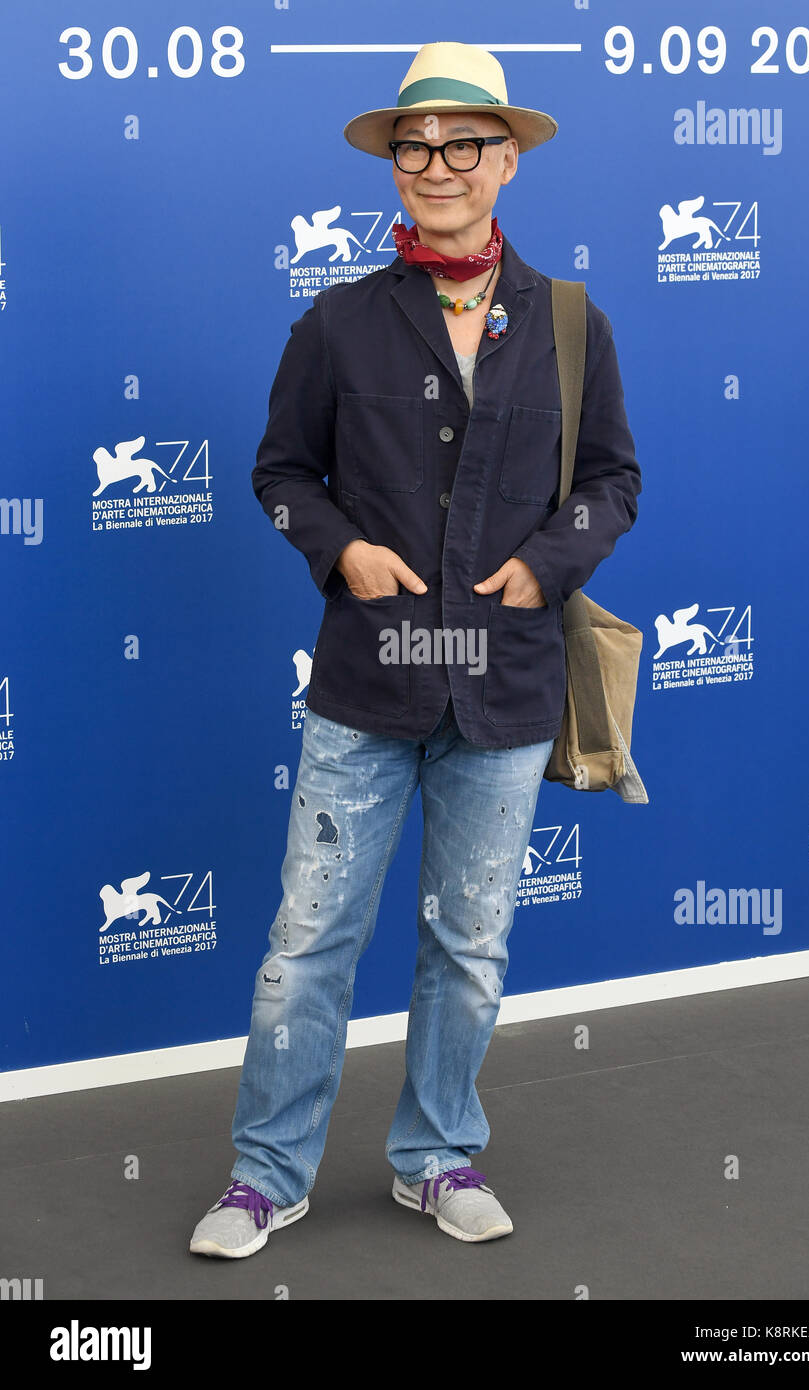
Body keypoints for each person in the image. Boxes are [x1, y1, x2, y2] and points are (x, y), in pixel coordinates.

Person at [190, 40, 640, 1259]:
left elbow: (609, 483)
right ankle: (263, 1172)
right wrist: (338, 551)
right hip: (362, 692)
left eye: (461, 144)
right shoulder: (336, 323)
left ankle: (436, 1154)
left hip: (503, 691)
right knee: (307, 942)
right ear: (393, 165)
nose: (436, 164)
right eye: (413, 144)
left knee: (468, 944)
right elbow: (279, 474)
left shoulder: (569, 321)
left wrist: (548, 565)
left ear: (504, 160)